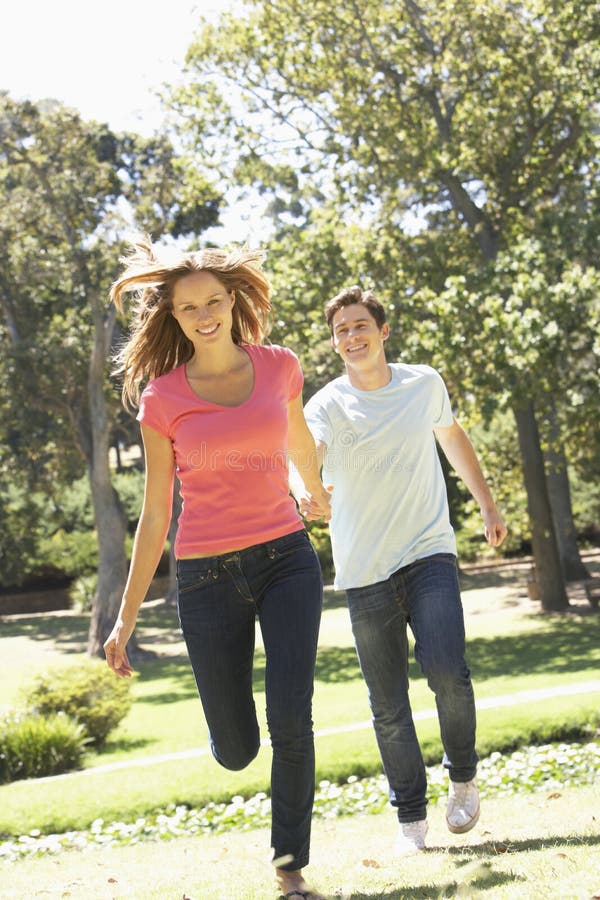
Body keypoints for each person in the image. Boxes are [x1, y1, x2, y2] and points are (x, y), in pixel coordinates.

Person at [103, 234, 330, 900]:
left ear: (233, 302)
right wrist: (124, 620)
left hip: (287, 557)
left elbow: (297, 437)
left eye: (213, 301)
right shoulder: (164, 399)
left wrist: (312, 487)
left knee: (293, 717)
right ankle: (232, 740)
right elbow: (154, 514)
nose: (203, 315)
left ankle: (290, 866)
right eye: (187, 308)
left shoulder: (281, 367)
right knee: (237, 748)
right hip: (204, 576)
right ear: (171, 318)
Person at [294, 285, 507, 856]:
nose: (351, 337)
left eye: (360, 325)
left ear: (382, 331)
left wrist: (486, 503)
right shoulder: (325, 405)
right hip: (364, 571)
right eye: (340, 330)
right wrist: (306, 492)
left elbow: (452, 437)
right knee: (387, 703)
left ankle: (463, 777)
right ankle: (410, 817)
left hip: (428, 550)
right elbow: (305, 456)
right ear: (333, 341)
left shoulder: (423, 383)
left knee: (447, 670)